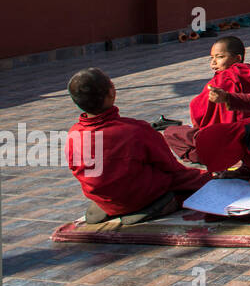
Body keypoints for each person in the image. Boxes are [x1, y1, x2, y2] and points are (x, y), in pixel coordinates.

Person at [66, 68, 210, 225]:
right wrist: (205, 177)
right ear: (111, 92)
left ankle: (111, 205)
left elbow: (79, 171)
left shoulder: (74, 134)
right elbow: (171, 168)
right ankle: (147, 206)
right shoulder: (135, 130)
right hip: (139, 196)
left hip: (104, 198)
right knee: (189, 182)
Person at [163, 35, 250, 164]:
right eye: (212, 58)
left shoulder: (225, 78)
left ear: (237, 58)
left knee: (171, 132)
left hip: (229, 139)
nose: (213, 62)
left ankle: (219, 158)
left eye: (220, 57)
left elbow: (199, 108)